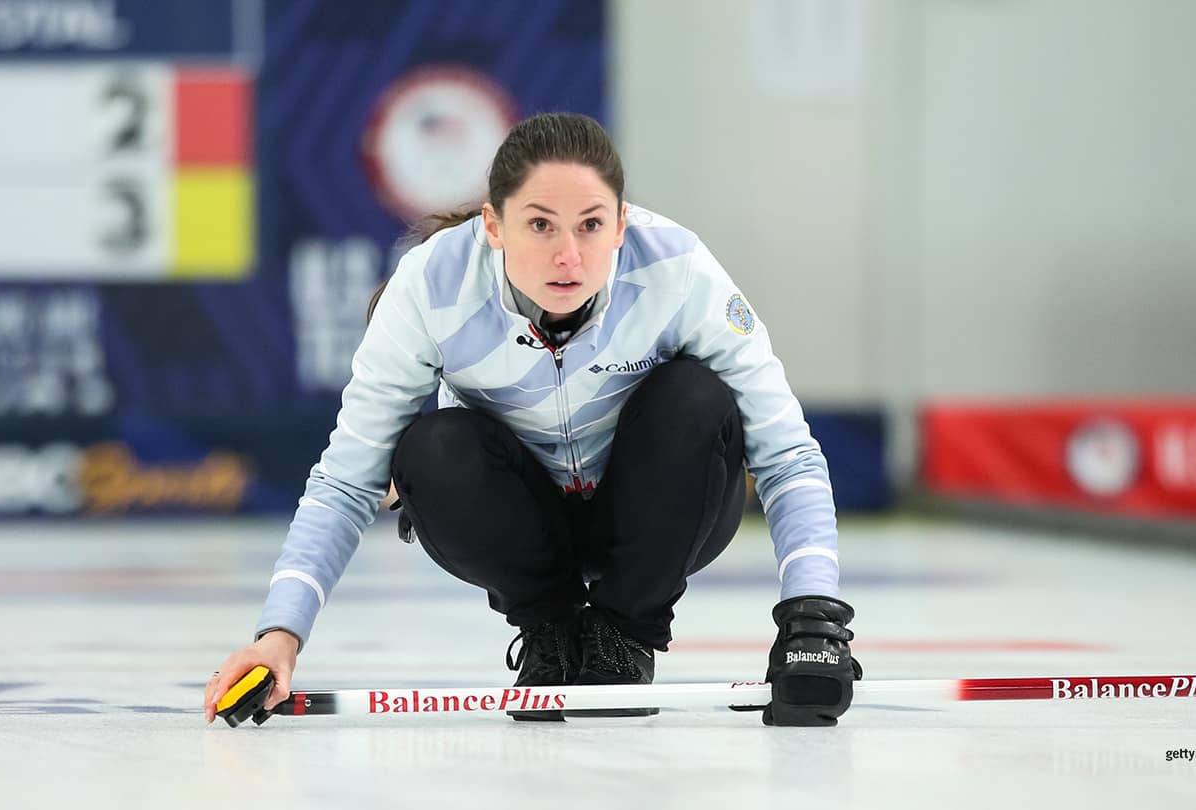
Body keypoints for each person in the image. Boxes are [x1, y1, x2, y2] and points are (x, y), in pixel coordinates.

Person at [204, 112, 860, 725]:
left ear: (622, 224)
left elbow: (786, 454)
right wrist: (277, 638)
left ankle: (621, 635)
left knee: (697, 396)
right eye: (540, 225)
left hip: (662, 517)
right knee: (432, 447)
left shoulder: (679, 270)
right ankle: (550, 628)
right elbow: (348, 482)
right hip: (520, 520)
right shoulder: (431, 287)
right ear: (494, 226)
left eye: (591, 225)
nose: (567, 255)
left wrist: (810, 617)